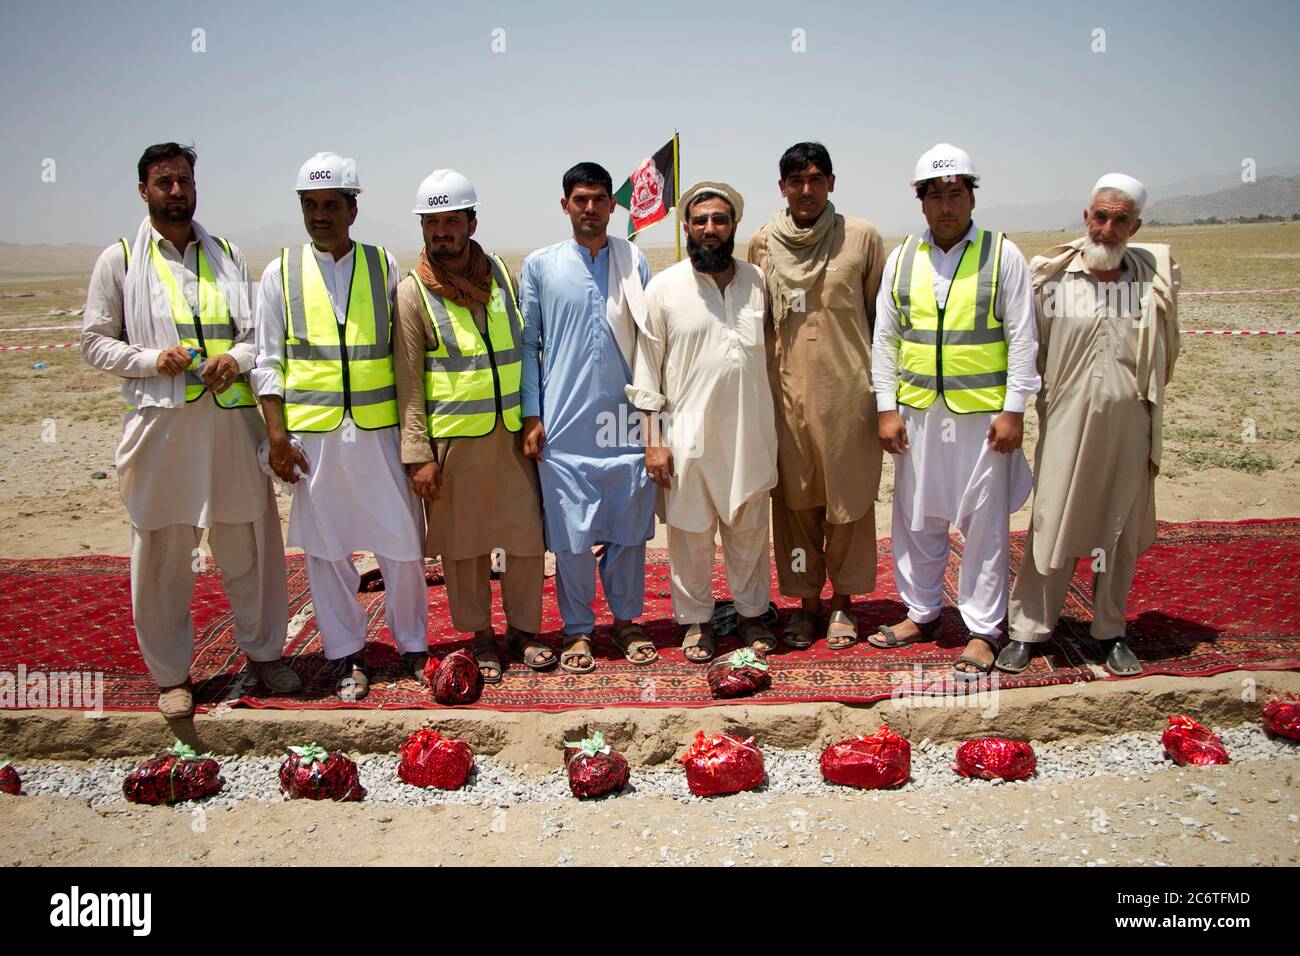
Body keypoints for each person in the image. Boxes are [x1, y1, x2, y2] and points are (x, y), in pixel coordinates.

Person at [81, 142, 297, 719]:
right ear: (143, 190)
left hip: (229, 423)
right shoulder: (121, 259)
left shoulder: (226, 255)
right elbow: (94, 341)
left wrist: (237, 359)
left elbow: (259, 337)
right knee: (163, 550)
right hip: (162, 428)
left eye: (183, 180)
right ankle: (171, 675)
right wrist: (154, 361)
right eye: (163, 182)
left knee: (248, 542)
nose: (175, 191)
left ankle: (264, 654)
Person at [253, 152, 428, 700]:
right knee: (327, 552)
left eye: (332, 205)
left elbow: (403, 354)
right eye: (310, 206)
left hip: (378, 432)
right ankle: (348, 653)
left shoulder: (384, 267)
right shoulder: (279, 272)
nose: (320, 215)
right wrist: (277, 437)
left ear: (353, 210)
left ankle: (414, 646)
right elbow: (267, 361)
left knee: (400, 542)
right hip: (316, 439)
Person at [869, 144, 1040, 682]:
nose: (946, 205)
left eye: (956, 193)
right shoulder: (902, 258)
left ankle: (984, 629)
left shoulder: (1001, 254)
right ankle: (921, 612)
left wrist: (1014, 410)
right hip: (917, 414)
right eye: (935, 195)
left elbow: (1022, 339)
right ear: (921, 202)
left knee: (984, 523)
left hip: (983, 418)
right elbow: (885, 340)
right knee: (917, 518)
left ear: (971, 197)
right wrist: (885, 408)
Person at [997, 174, 1179, 677]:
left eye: (1120, 220)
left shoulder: (1151, 284)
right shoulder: (1053, 279)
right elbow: (1030, 352)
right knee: (1051, 521)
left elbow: (1167, 356)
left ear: (1135, 225)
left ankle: (1110, 630)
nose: (1107, 228)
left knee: (1115, 528)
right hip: (1065, 423)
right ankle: (1028, 630)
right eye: (1100, 216)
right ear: (1086, 218)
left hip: (1129, 427)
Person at [394, 169, 549, 684]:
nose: (442, 231)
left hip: (511, 436)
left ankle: (523, 632)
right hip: (454, 443)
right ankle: (480, 636)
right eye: (432, 222)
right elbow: (409, 382)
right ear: (423, 227)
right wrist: (418, 455)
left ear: (471, 223)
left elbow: (524, 352)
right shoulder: (413, 291)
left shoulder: (501, 274)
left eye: (451, 221)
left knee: (525, 540)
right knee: (464, 548)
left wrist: (531, 416)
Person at [628, 181, 778, 664]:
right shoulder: (665, 288)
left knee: (750, 529)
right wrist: (654, 441)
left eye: (719, 219)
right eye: (699, 221)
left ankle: (752, 614)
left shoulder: (757, 282)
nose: (709, 229)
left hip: (749, 434)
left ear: (733, 225)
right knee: (691, 535)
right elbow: (646, 372)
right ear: (686, 227)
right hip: (686, 437)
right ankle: (695, 621)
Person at [518, 163, 658, 673]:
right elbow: (528, 344)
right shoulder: (539, 265)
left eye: (600, 199)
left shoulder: (633, 261)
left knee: (628, 530)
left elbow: (648, 343)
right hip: (563, 426)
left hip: (624, 423)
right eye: (581, 199)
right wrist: (532, 415)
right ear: (565, 205)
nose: (591, 208)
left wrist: (652, 425)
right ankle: (578, 630)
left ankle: (626, 622)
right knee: (572, 538)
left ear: (612, 205)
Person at [746, 142, 886, 650]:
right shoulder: (763, 242)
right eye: (795, 180)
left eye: (816, 179)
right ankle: (805, 604)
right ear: (781, 186)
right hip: (785, 395)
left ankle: (843, 605)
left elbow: (880, 322)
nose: (806, 190)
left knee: (847, 502)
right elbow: (759, 322)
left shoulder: (862, 238)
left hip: (848, 394)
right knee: (796, 504)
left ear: (831, 182)